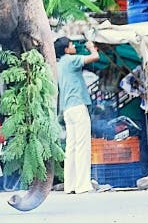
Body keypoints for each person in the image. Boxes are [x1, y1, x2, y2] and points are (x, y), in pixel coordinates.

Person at [55, 36, 99, 195]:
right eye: (71, 44)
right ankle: (82, 185)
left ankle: (70, 185)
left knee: (71, 147)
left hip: (67, 109)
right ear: (66, 49)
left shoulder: (59, 65)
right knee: (82, 146)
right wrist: (91, 47)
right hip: (78, 106)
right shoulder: (70, 60)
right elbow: (95, 57)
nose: (74, 46)